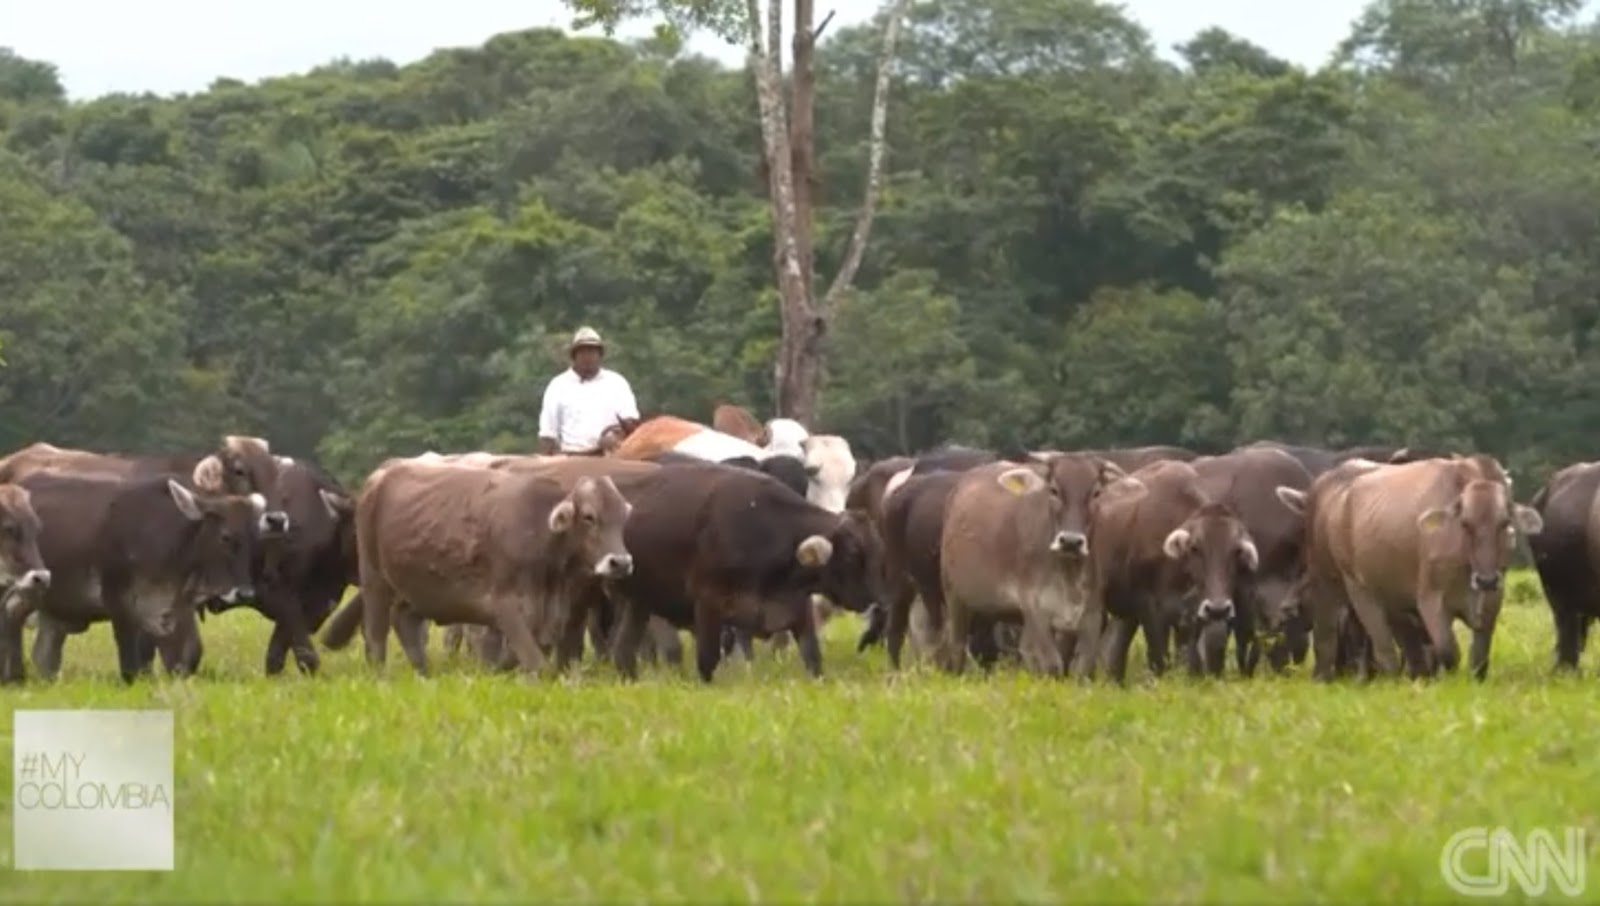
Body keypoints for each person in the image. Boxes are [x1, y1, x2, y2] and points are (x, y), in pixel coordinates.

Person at [536, 327, 640, 456]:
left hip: (609, 456)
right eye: (582, 352)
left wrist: (615, 434)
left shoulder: (617, 383)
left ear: (600, 355)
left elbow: (631, 422)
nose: (588, 357)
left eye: (592, 351)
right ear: (574, 356)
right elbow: (548, 433)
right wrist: (544, 460)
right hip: (571, 457)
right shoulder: (558, 386)